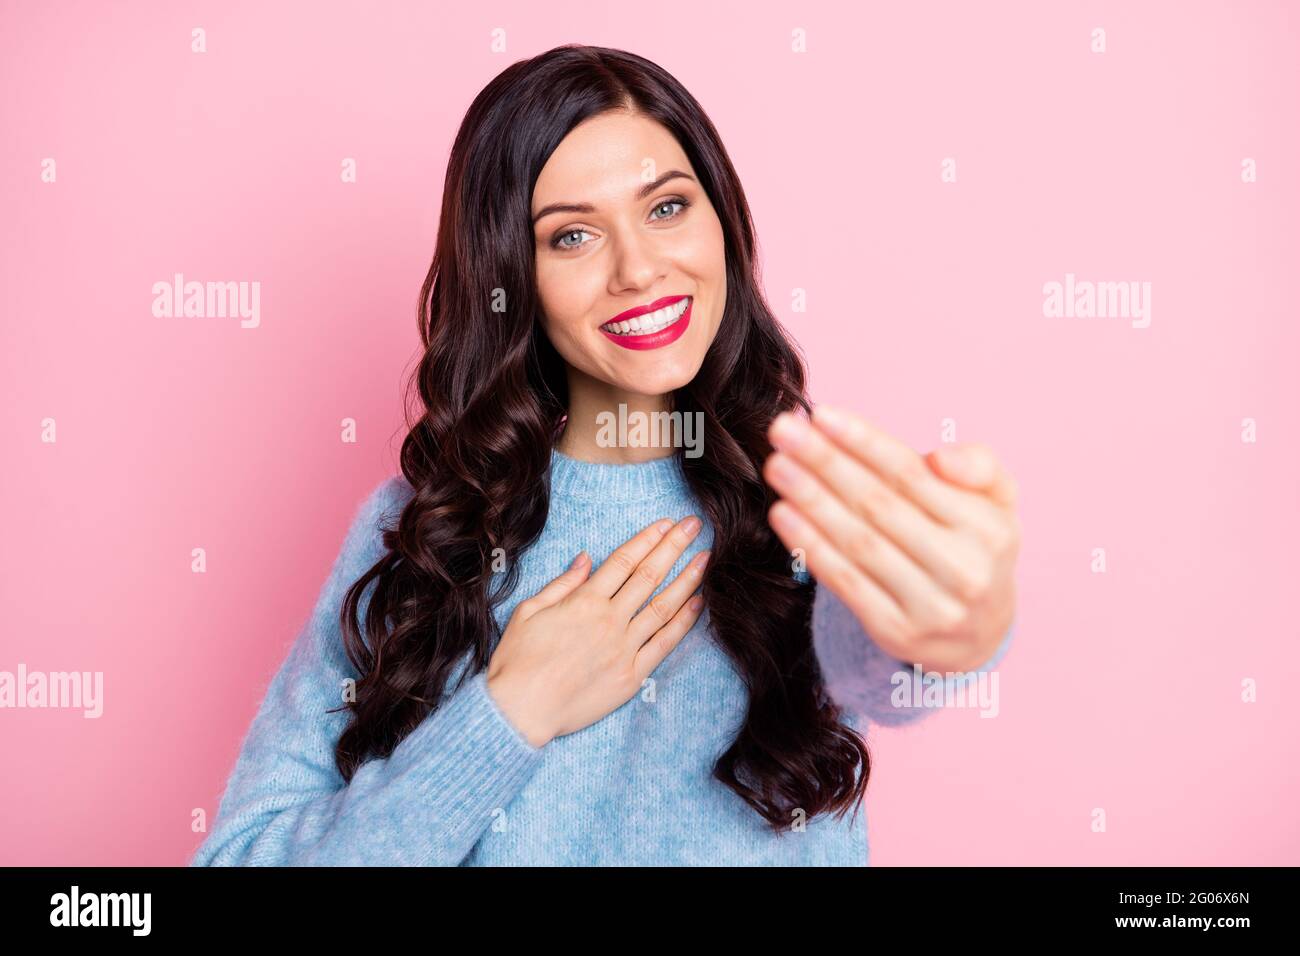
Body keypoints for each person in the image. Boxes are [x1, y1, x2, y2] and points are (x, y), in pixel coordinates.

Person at [190, 43, 1020, 867]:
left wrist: (952, 633)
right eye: (573, 236)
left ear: (721, 219)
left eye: (666, 209)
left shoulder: (802, 505)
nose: (639, 269)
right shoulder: (418, 534)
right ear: (511, 274)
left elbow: (884, 669)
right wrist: (510, 711)